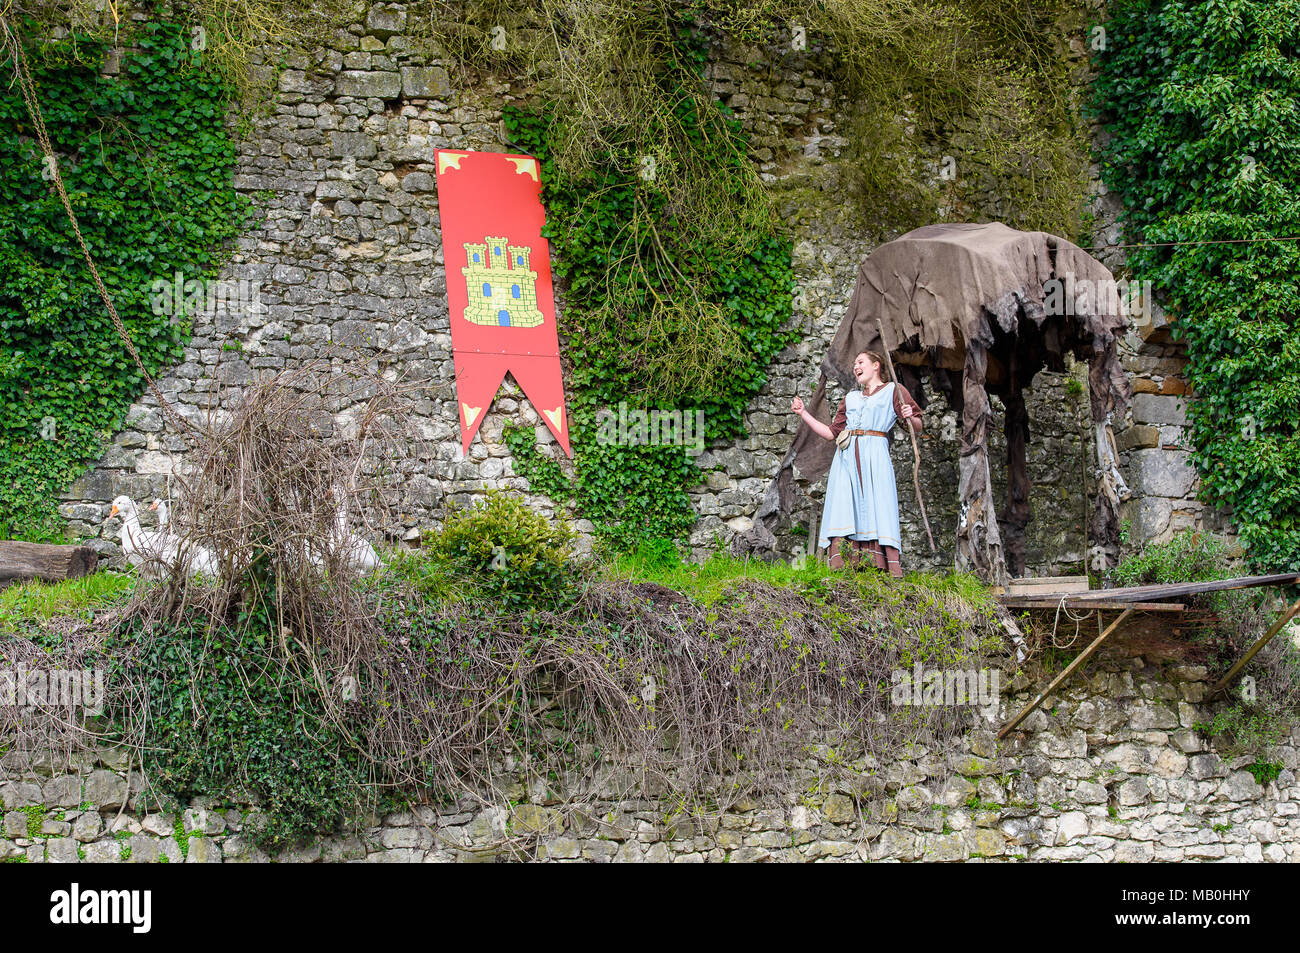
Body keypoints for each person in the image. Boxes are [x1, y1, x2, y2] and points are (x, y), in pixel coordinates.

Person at [791, 350, 922, 578]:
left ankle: (882, 564)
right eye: (854, 363)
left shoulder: (894, 390)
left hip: (876, 455)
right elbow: (831, 433)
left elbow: (917, 427)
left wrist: (910, 415)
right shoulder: (850, 398)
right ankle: (846, 563)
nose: (855, 367)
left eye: (860, 362)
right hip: (847, 459)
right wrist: (803, 413)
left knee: (877, 505)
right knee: (845, 506)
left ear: (876, 365)